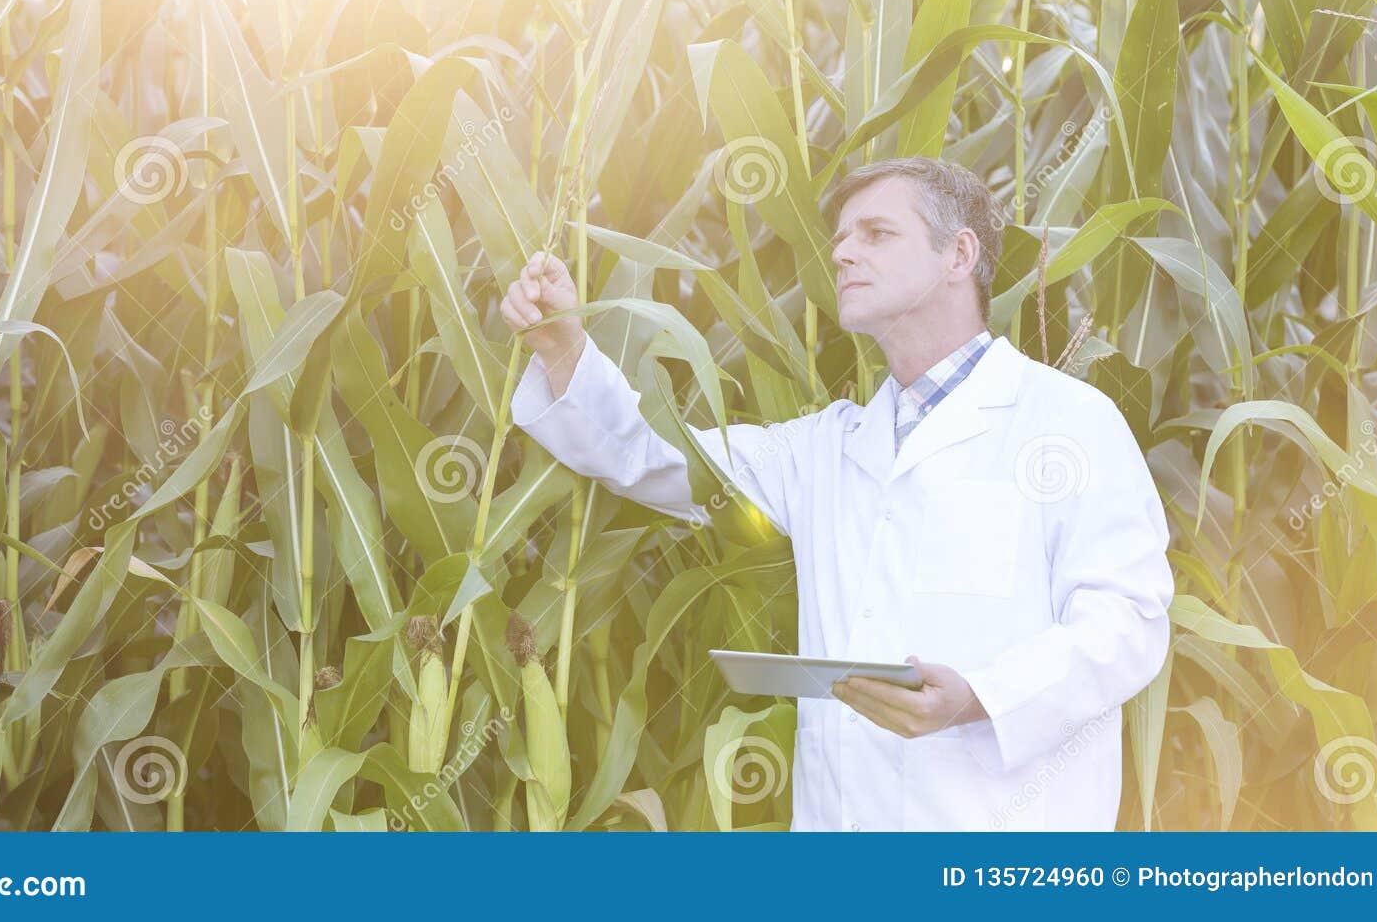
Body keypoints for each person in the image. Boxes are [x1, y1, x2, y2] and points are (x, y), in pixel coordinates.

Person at [501, 157, 1174, 831]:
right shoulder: (826, 447)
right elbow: (657, 459)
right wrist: (564, 346)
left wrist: (981, 697)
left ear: (959, 254)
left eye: (876, 233)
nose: (844, 252)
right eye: (840, 239)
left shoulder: (1068, 422)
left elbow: (1129, 619)